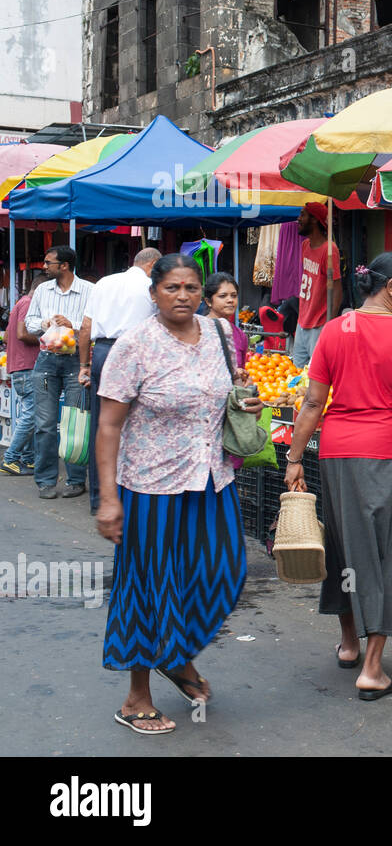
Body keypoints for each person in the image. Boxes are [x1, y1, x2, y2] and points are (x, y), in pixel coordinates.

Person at [95, 253, 261, 735]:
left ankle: (175, 653)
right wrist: (109, 499)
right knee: (149, 585)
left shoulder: (221, 335)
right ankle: (136, 696)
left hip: (211, 477)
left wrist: (245, 401)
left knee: (224, 570)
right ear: (153, 294)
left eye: (191, 287)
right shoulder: (135, 345)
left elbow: (231, 391)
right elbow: (108, 427)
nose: (183, 296)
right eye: (172, 288)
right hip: (151, 484)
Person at [286, 253, 392, 701]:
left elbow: (313, 404)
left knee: (346, 545)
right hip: (386, 454)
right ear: (391, 286)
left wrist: (295, 457)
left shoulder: (336, 328)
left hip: (336, 453)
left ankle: (351, 644)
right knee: (388, 553)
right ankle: (372, 670)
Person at [77, 248, 161, 514]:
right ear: (153, 265)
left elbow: (85, 328)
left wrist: (84, 365)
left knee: (103, 425)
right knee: (137, 424)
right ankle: (131, 497)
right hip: (137, 353)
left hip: (102, 352)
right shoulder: (151, 286)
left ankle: (100, 499)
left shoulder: (104, 282)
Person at [26, 245, 95, 499]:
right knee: (44, 423)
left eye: (48, 262)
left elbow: (95, 325)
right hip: (46, 361)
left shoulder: (90, 290)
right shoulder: (42, 290)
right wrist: (45, 323)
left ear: (63, 265)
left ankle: (76, 480)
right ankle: (45, 480)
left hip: (77, 360)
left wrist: (72, 326)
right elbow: (30, 322)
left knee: (75, 420)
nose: (44, 266)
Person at [1, 272, 48, 476]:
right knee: (32, 414)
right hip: (27, 367)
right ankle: (10, 458)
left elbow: (9, 338)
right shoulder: (29, 303)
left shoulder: (20, 304)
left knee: (30, 414)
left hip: (19, 366)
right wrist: (48, 339)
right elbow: (21, 334)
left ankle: (27, 459)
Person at [293, 202, 343, 367]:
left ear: (314, 220)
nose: (298, 219)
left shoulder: (329, 250)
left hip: (320, 323)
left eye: (303, 215)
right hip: (302, 320)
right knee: (297, 371)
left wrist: (330, 324)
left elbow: (336, 289)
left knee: (317, 373)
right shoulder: (305, 245)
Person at [203, 272, 249, 369]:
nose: (230, 300)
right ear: (208, 301)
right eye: (223, 296)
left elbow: (241, 369)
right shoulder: (199, 330)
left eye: (233, 295)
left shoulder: (240, 336)